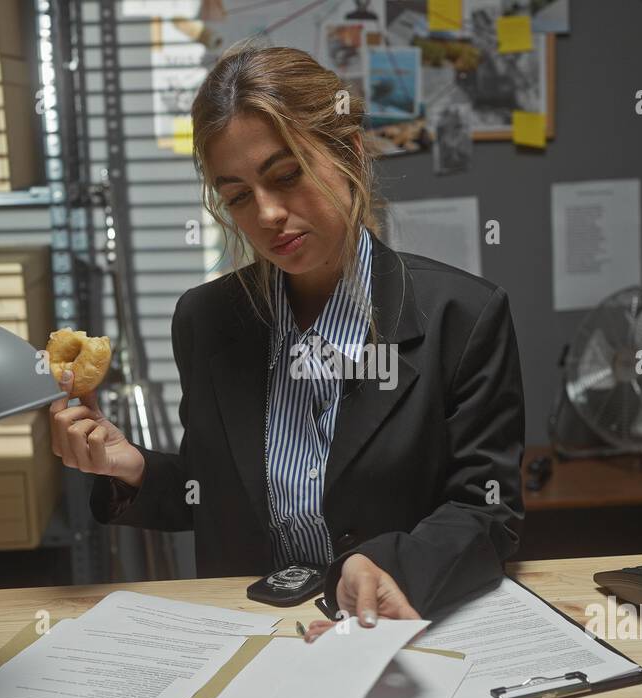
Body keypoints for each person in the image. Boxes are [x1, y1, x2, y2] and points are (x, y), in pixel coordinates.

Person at [49, 43, 525, 642]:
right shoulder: (207, 320)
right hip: (252, 637)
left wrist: (385, 565)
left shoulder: (464, 317)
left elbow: (486, 511)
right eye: (239, 196)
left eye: (286, 175)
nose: (268, 214)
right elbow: (214, 494)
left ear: (347, 151)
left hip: (392, 631)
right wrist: (133, 468)